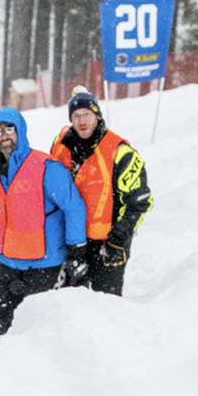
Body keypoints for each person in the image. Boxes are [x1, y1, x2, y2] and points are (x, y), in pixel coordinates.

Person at [0, 107, 88, 339]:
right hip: (8, 260)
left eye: (9, 129)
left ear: (21, 131)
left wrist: (76, 247)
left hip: (44, 262)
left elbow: (74, 206)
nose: (4, 136)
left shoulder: (46, 167)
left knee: (36, 332)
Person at [46, 86, 153, 296]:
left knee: (106, 308)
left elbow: (140, 201)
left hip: (107, 244)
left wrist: (119, 239)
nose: (81, 120)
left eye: (87, 114)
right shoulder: (61, 145)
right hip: (71, 241)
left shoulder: (120, 152)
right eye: (76, 115)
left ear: (97, 116)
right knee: (69, 306)